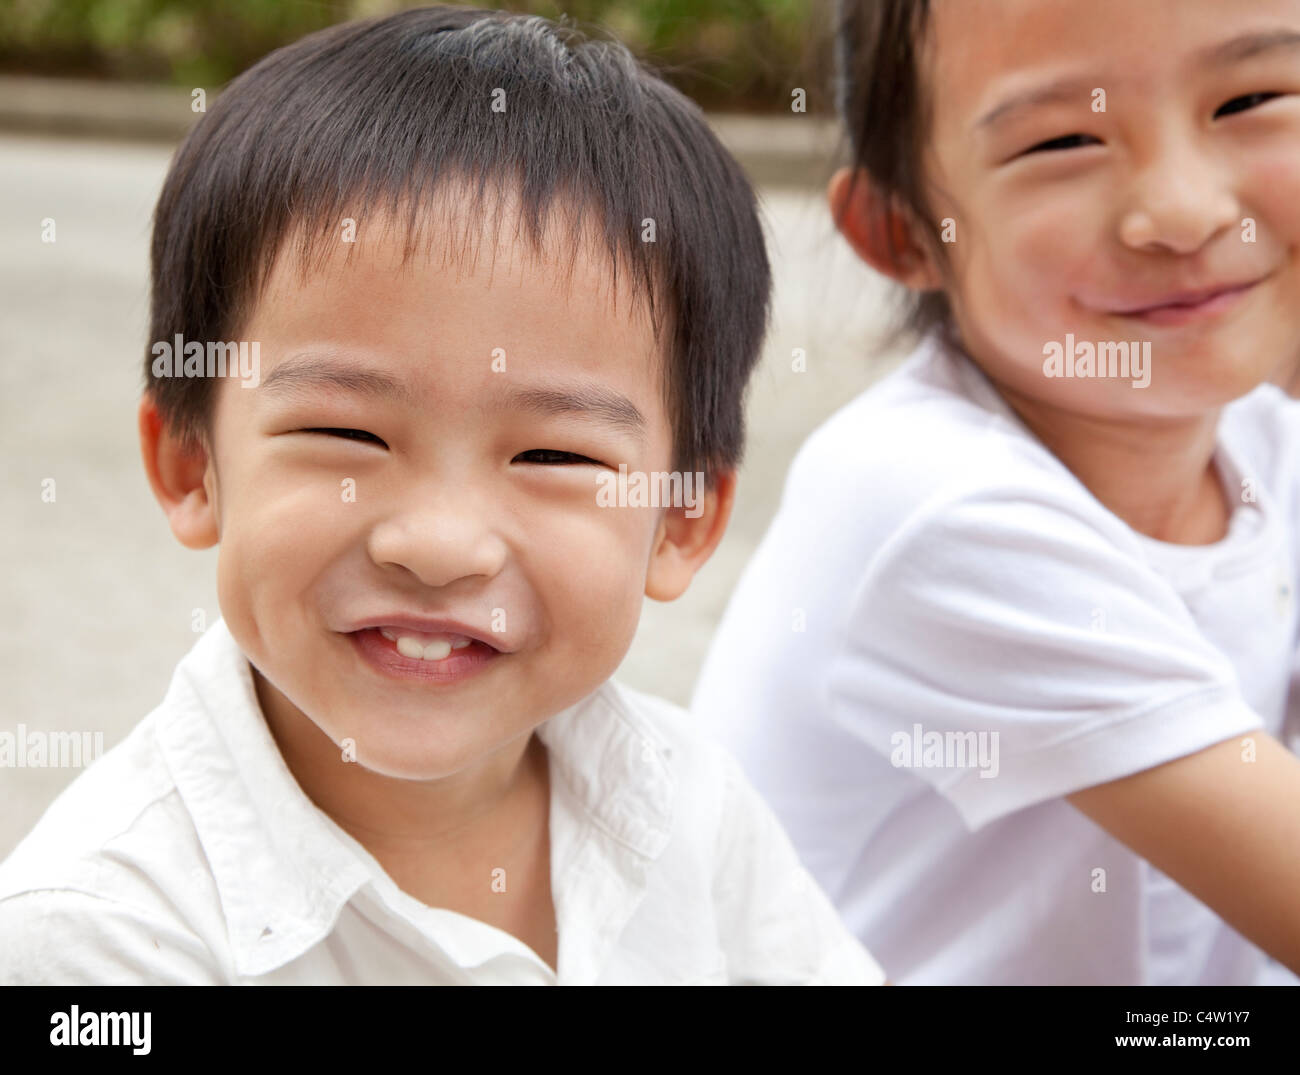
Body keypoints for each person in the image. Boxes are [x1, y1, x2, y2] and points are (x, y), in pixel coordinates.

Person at [0, 5, 886, 986]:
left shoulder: (688, 804)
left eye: (551, 454)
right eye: (347, 435)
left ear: (681, 518)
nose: (438, 543)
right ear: (189, 464)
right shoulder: (99, 937)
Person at [693, 0, 1300, 984]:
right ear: (900, 232)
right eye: (1062, 141)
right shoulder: (937, 505)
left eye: (1250, 100)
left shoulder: (1264, 439)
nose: (1184, 209)